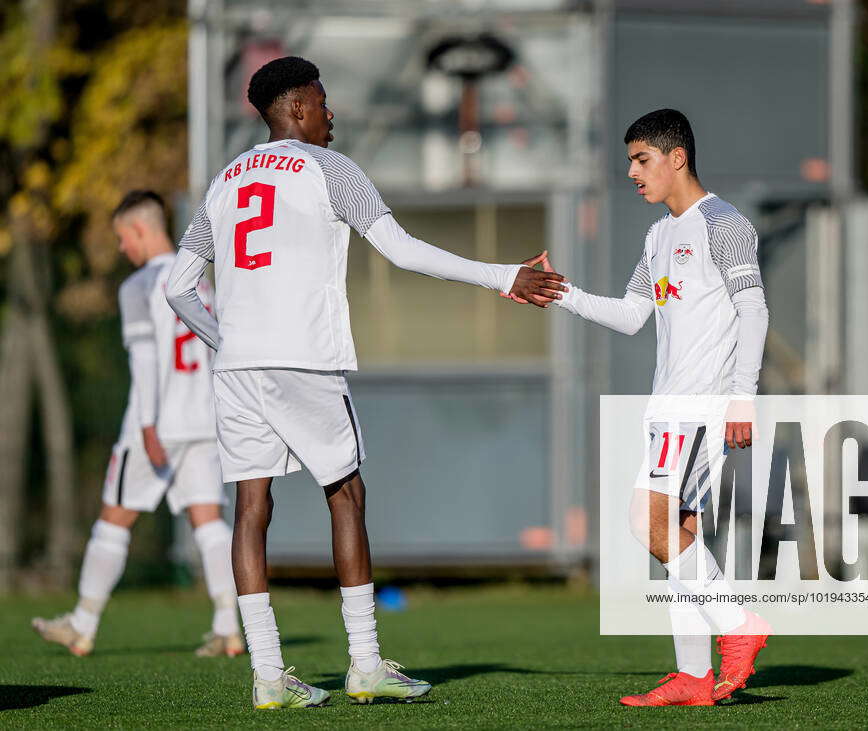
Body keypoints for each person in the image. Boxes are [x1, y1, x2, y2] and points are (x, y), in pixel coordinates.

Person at [165, 56, 566, 710]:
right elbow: (403, 250)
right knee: (345, 492)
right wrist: (504, 277)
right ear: (295, 109)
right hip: (304, 357)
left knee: (250, 508)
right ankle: (364, 663)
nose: (332, 114)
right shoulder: (330, 169)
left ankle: (269, 675)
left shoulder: (223, 181)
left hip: (237, 367)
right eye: (322, 101)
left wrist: (227, 341)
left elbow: (178, 287)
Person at [524, 109, 770, 706]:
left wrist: (744, 398)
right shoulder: (659, 236)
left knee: (646, 522)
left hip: (702, 408)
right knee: (680, 531)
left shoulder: (725, 224)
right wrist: (565, 295)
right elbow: (635, 315)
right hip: (668, 409)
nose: (632, 172)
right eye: (631, 160)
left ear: (676, 157)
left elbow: (754, 312)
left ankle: (739, 627)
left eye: (641, 159)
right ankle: (692, 675)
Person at [32, 191, 242, 659]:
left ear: (142, 230)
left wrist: (147, 425)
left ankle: (82, 625)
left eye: (123, 237)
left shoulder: (138, 286)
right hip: (204, 418)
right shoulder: (199, 280)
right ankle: (228, 626)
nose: (122, 248)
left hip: (159, 423)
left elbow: (147, 360)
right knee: (208, 522)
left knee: (113, 520)